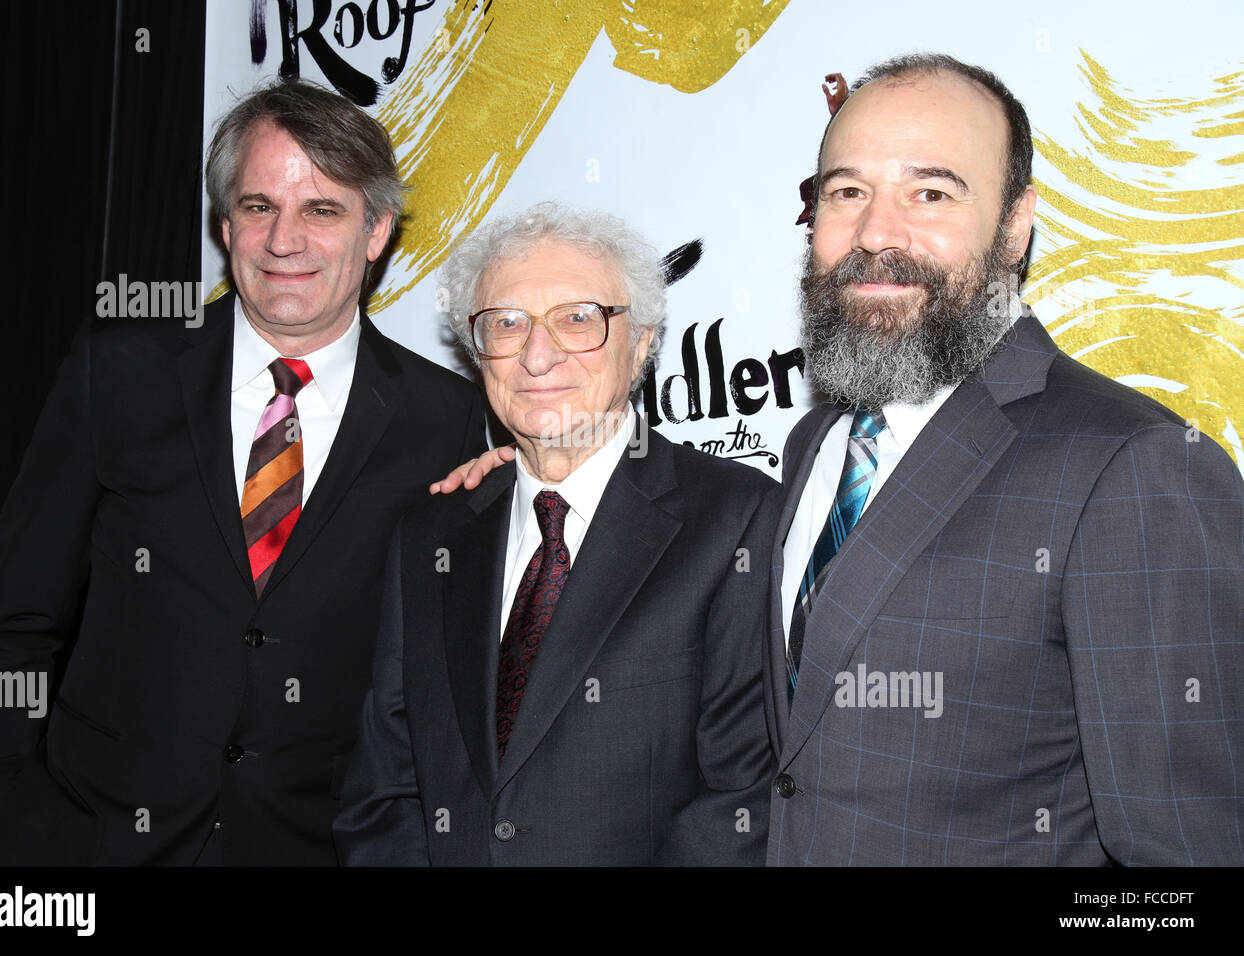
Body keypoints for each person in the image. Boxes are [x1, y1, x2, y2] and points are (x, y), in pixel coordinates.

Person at [433, 54, 1244, 866]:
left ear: (1015, 223)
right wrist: (539, 462)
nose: (876, 233)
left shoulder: (1135, 467)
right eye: (846, 193)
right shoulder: (814, 445)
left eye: (931, 192)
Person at [0, 79, 485, 866]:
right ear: (226, 223)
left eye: (322, 210)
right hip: (90, 849)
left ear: (376, 232)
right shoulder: (120, 374)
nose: (283, 241)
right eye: (260, 206)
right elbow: (12, 618)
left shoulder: (446, 420)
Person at [334, 203, 776, 865]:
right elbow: (386, 791)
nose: (538, 355)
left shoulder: (739, 521)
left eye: (578, 318)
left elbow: (743, 802)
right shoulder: (432, 536)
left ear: (644, 341)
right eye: (506, 323)